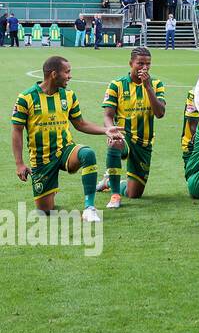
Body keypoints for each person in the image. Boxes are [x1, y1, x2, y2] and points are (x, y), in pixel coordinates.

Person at [11, 55, 122, 222]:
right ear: (54, 74)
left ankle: (89, 208)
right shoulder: (26, 98)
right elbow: (17, 131)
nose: (70, 76)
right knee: (45, 210)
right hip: (42, 159)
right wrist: (19, 163)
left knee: (88, 154)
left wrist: (106, 130)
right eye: (67, 72)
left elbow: (80, 124)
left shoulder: (69, 95)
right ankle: (50, 188)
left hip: (65, 150)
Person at [98, 47, 166, 201]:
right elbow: (108, 116)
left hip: (144, 142)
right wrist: (111, 130)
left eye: (147, 64)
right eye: (140, 63)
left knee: (133, 194)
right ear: (130, 63)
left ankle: (108, 182)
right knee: (115, 143)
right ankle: (115, 195)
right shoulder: (117, 85)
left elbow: (160, 113)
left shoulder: (156, 84)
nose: (144, 67)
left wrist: (148, 87)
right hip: (124, 137)